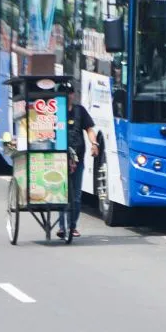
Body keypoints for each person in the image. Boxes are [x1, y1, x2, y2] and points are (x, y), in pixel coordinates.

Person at [58, 94, 97, 239]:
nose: (67, 95)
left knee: (76, 195)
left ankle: (72, 226)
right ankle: (61, 227)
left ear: (73, 94)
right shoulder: (54, 110)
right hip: (58, 159)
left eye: (69, 92)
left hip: (77, 158)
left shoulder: (80, 111)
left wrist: (94, 143)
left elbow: (89, 129)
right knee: (60, 192)